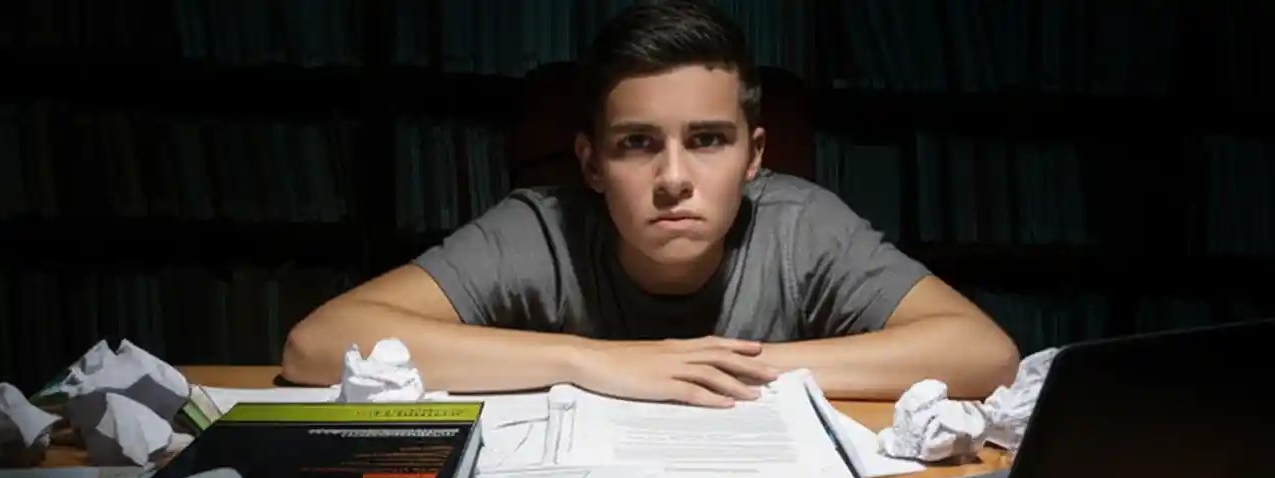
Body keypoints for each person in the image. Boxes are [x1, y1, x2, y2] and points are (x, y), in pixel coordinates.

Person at [282, 0, 1019, 407]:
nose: (673, 177)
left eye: (706, 139)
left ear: (754, 156)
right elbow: (319, 344)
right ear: (592, 163)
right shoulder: (540, 229)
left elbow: (986, 355)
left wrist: (730, 370)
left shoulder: (803, 226)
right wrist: (588, 361)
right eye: (637, 144)